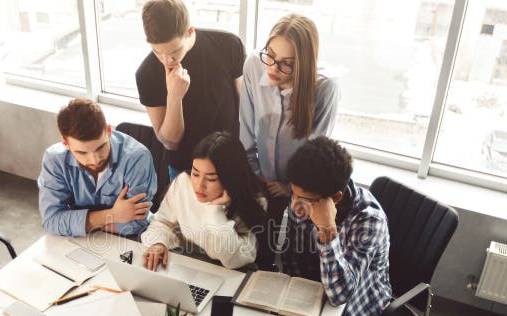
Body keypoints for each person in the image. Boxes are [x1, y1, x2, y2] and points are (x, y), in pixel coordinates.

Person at [239, 14, 340, 267]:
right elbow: (245, 128)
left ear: (304, 65)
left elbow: (317, 152)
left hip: (298, 191)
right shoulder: (253, 65)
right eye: (270, 55)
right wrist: (254, 174)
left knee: (292, 261)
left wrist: (291, 189)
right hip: (260, 179)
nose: (272, 68)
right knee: (257, 255)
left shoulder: (325, 89)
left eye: (286, 64)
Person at [283, 136, 392, 316]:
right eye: (293, 195)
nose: (295, 206)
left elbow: (340, 295)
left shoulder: (369, 220)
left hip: (353, 314)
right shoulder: (304, 197)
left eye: (304, 200)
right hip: (312, 295)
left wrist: (327, 230)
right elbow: (293, 257)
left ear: (335, 198)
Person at [136, 0, 245, 181]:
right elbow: (171, 142)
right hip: (186, 170)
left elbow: (245, 108)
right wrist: (174, 97)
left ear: (190, 32)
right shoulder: (146, 73)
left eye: (174, 51)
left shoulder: (229, 45)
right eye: (157, 52)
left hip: (230, 160)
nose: (167, 60)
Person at [141, 132, 265, 270]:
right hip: (187, 267)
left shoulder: (254, 202)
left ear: (230, 178)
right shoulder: (184, 183)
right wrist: (159, 243)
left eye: (211, 179)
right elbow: (163, 222)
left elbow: (232, 259)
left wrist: (215, 210)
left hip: (229, 275)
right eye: (195, 173)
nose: (199, 185)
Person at [38, 99, 157, 237]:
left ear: (108, 130)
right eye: (82, 152)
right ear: (65, 143)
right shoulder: (54, 160)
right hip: (79, 242)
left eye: (101, 147)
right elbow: (51, 220)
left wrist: (78, 223)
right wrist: (112, 215)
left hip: (125, 240)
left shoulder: (138, 158)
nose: (95, 160)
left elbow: (137, 224)